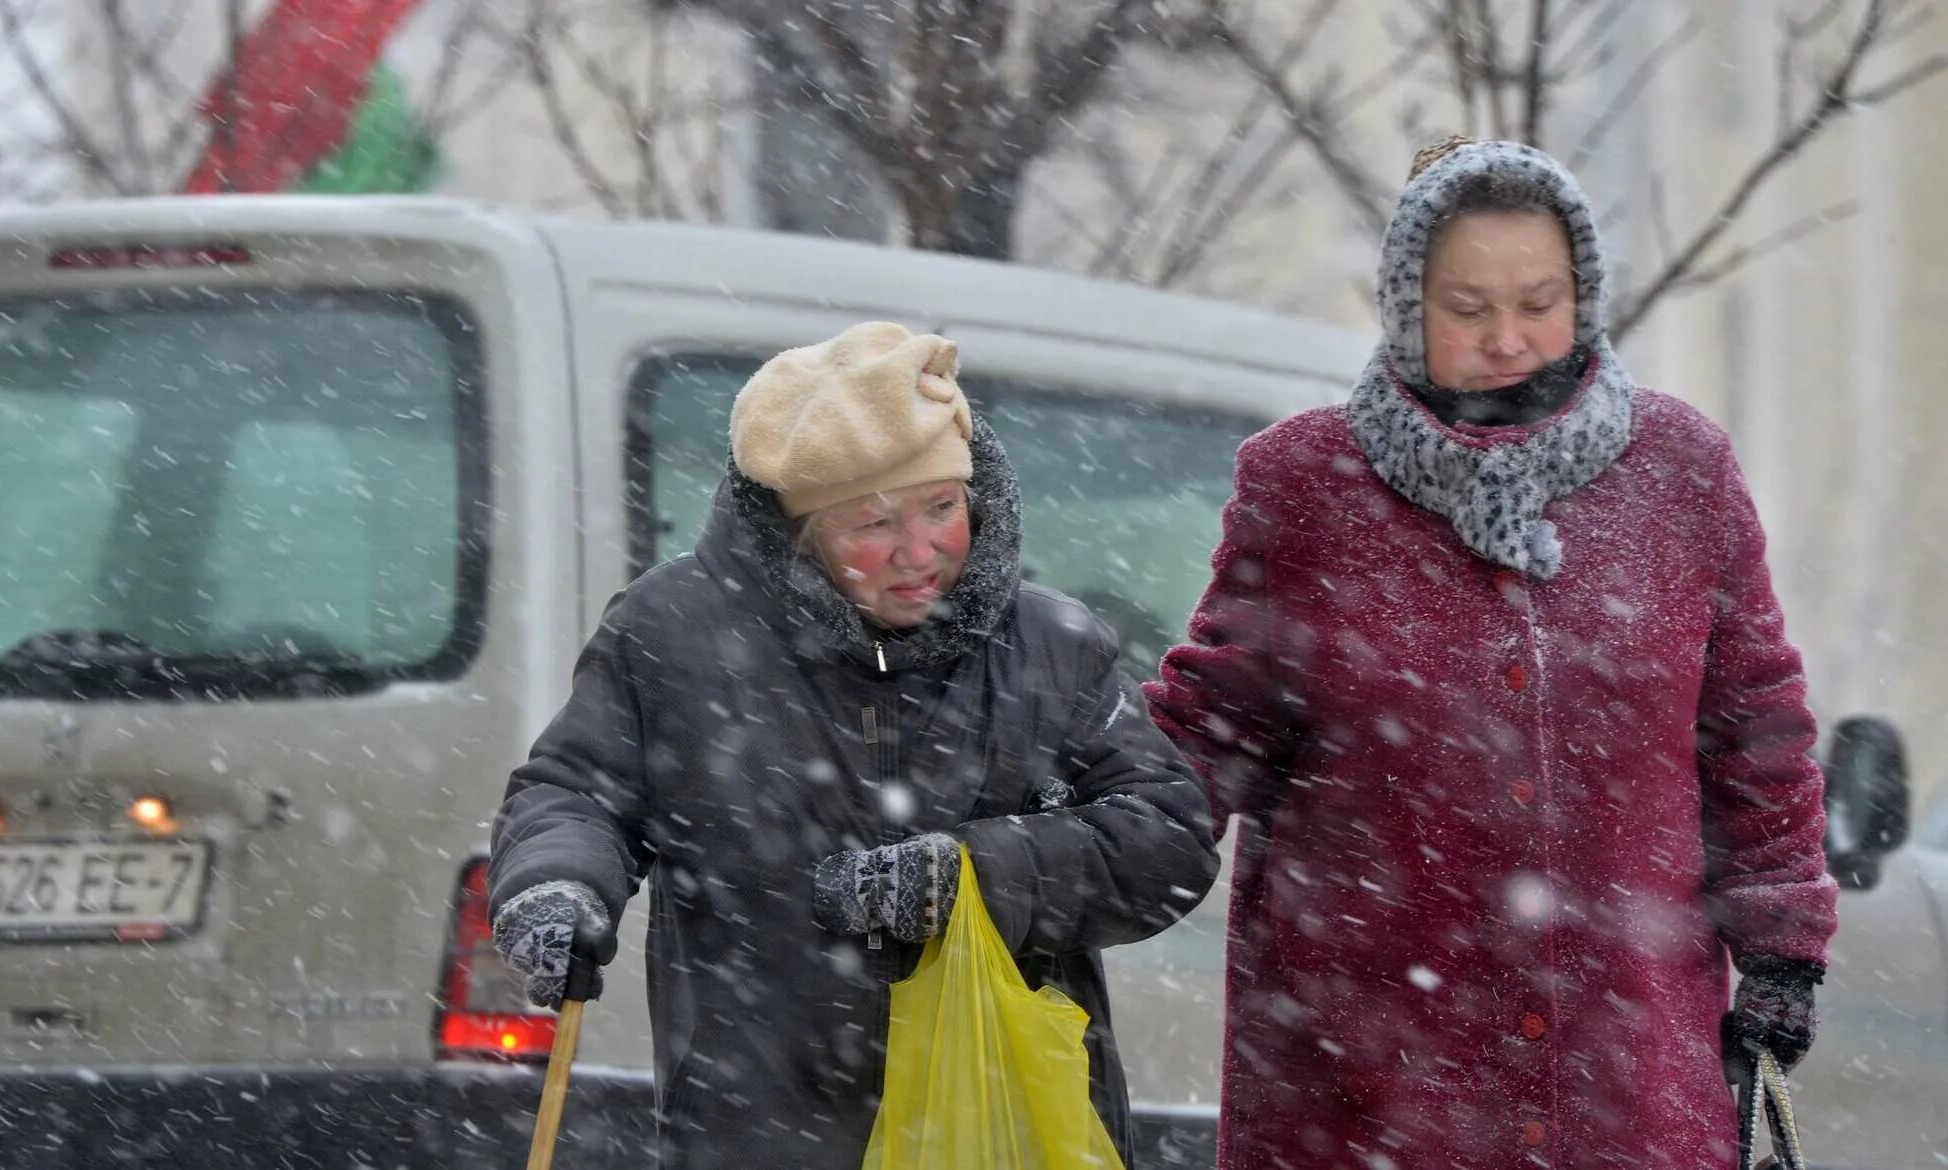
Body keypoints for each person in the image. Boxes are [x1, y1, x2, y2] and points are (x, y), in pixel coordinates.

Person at [1145, 137, 1835, 1168]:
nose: (1507, 338)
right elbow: (1205, 738)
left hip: (1626, 1077)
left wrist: (1780, 950)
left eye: (1538, 301)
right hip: (1365, 1080)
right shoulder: (1307, 487)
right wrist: (1062, 851)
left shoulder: (1679, 474)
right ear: (1406, 307)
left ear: (1583, 295)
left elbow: (1753, 724)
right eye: (1467, 309)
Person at [488, 321, 1219, 1169]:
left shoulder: (1051, 646)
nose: (920, 553)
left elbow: (1166, 838)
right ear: (795, 534)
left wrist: (977, 876)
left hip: (1005, 1120)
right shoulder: (674, 634)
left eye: (942, 508)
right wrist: (557, 884)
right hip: (761, 1125)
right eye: (872, 524)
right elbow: (577, 793)